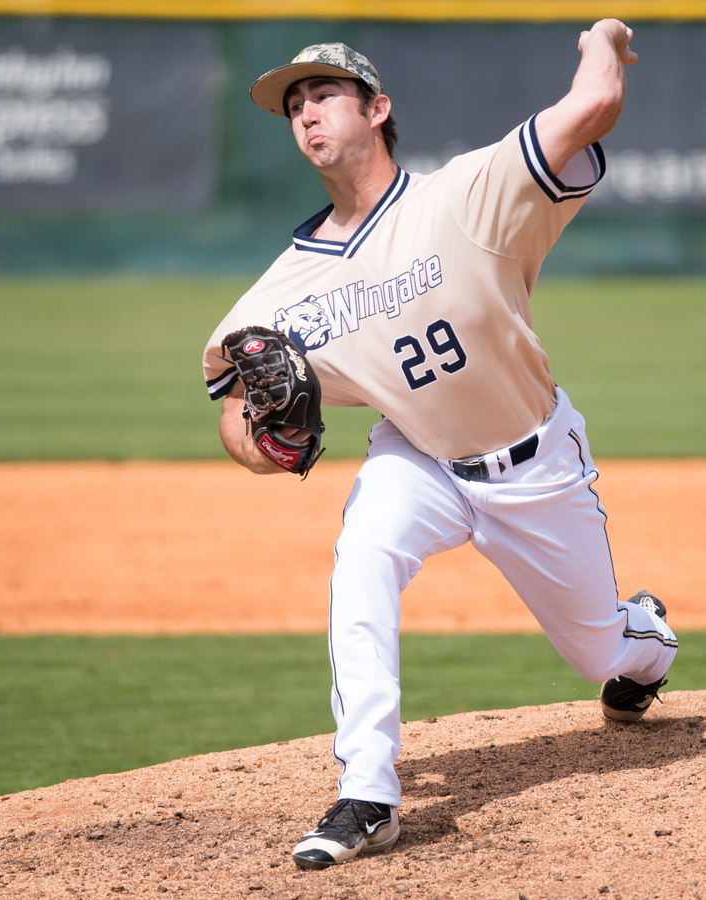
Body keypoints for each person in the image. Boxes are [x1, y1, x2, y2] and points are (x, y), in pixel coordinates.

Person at [201, 22, 678, 869]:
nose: (306, 115)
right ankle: (368, 793)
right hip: (416, 455)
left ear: (377, 109)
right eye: (293, 105)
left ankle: (644, 639)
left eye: (324, 95)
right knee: (361, 555)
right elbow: (236, 417)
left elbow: (596, 102)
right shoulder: (279, 291)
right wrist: (269, 448)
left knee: (599, 650)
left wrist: (601, 36)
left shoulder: (466, 194)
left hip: (532, 462)